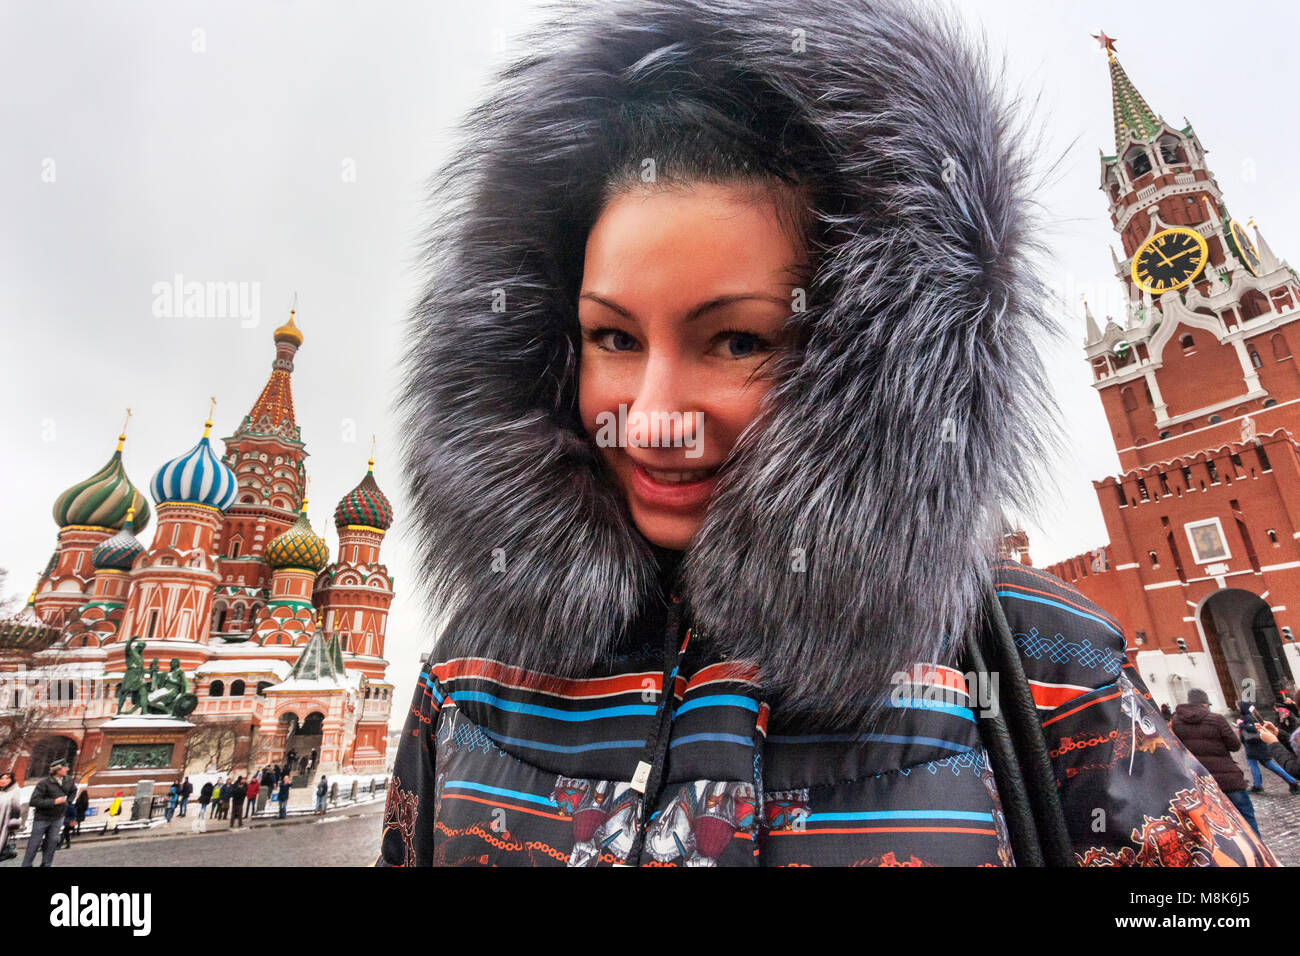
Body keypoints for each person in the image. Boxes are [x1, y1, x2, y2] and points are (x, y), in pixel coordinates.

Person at [378, 0, 1280, 868]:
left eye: (737, 340)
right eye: (614, 336)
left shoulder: (1035, 660)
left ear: (865, 359)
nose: (650, 417)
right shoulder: (473, 671)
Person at [1171, 689, 1261, 836]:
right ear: (1205, 704)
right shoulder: (1216, 719)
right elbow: (1234, 745)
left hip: (1200, 781)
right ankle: (1260, 853)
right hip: (1228, 778)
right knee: (1247, 819)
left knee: (1215, 826)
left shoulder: (1176, 722)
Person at [1236, 701, 1300, 794]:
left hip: (1256, 747)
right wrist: (1277, 733)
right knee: (1264, 765)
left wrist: (1273, 742)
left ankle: (1290, 781)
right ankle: (1259, 785)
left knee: (1266, 765)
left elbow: (1296, 769)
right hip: (1253, 747)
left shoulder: (1247, 718)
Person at [22, 758, 74, 867]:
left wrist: (67, 803)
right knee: (34, 843)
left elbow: (73, 791)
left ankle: (46, 864)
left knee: (52, 843)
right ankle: (26, 864)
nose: (67, 769)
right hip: (42, 818)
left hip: (58, 817)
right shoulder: (44, 783)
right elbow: (34, 801)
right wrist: (53, 802)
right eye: (65, 767)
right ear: (58, 769)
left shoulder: (69, 780)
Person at [0, 770, 24, 861]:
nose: (4, 780)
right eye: (2, 778)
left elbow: (16, 810)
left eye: (7, 778)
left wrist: (13, 825)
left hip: (3, 825)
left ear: (11, 780)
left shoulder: (14, 792)